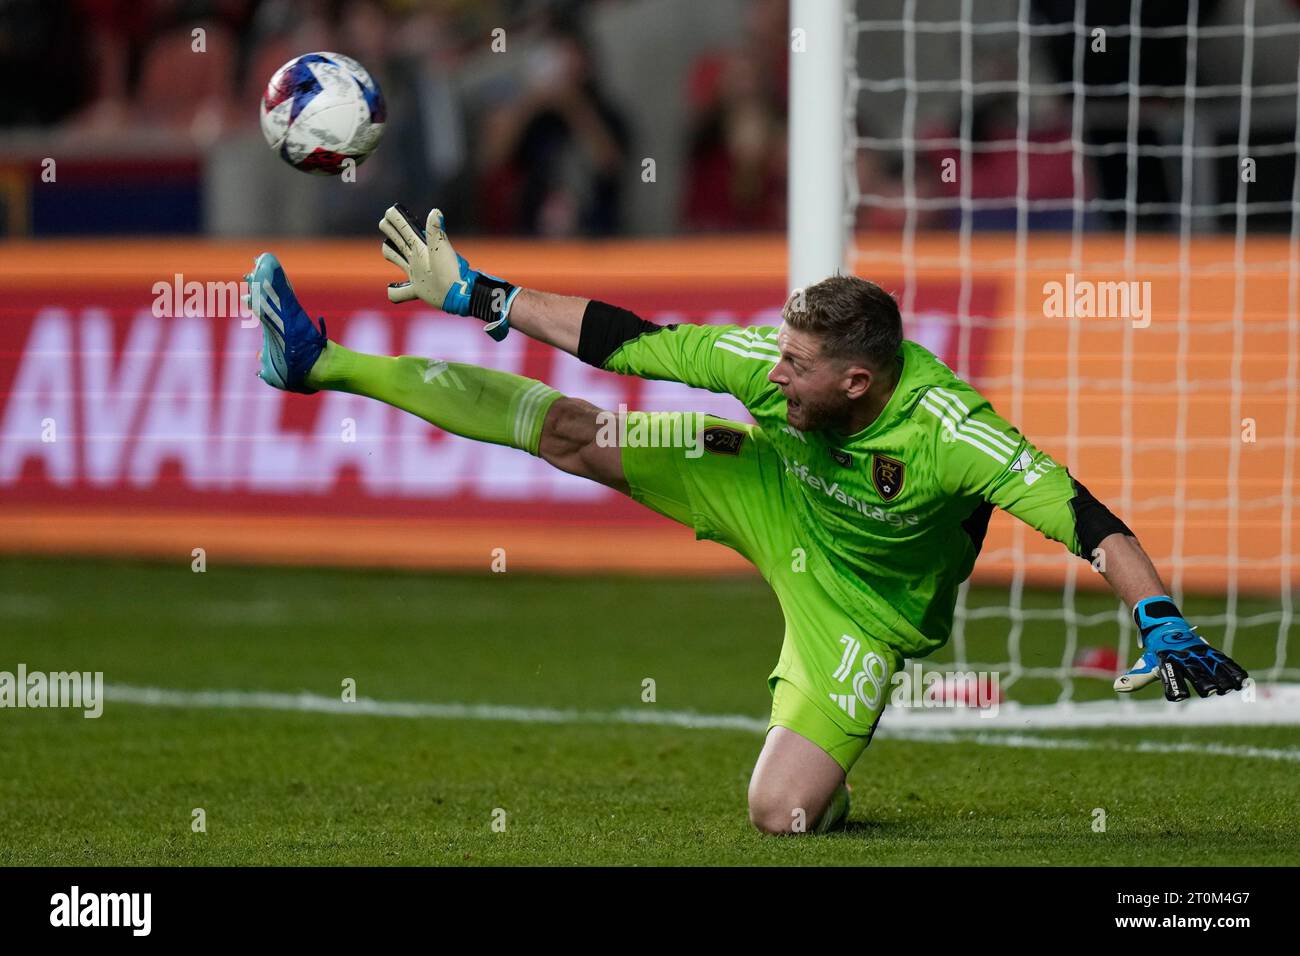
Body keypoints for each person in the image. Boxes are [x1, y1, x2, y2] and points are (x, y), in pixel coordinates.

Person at [243, 204, 1249, 835]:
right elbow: (623, 341)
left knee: (782, 813)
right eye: (776, 353)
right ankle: (319, 361)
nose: (772, 371)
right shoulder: (772, 379)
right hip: (767, 484)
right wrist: (477, 292)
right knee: (578, 431)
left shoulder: (954, 433)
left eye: (795, 366)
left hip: (861, 605)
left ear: (857, 381)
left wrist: (1158, 615)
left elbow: (1087, 519)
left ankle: (829, 774)